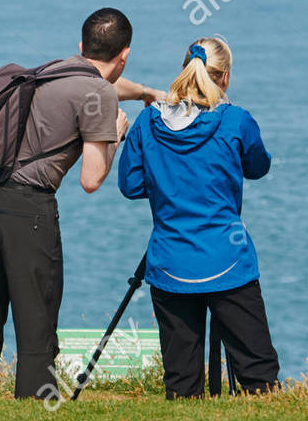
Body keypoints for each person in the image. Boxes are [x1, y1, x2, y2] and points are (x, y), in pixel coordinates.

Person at [0, 7, 160, 400]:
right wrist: (114, 133)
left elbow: (106, 87)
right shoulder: (97, 95)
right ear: (124, 54)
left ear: (82, 46)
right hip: (28, 211)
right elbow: (91, 179)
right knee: (37, 320)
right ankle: (36, 405)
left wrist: (148, 93)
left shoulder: (57, 70)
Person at [117, 36, 279, 398]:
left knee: (182, 384)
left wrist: (168, 183)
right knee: (259, 377)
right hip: (228, 262)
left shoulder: (147, 122)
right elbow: (259, 166)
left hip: (170, 262)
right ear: (224, 78)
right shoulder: (236, 121)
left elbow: (130, 185)